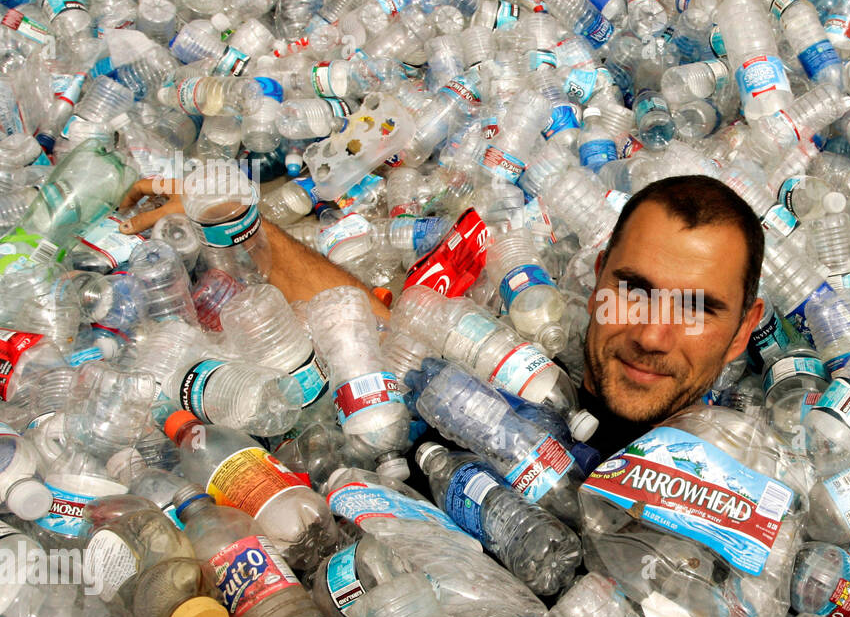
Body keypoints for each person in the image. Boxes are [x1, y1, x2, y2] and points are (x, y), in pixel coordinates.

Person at [119, 173, 765, 459]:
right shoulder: (542, 359)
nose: (652, 333)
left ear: (743, 331)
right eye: (633, 289)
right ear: (596, 277)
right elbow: (384, 337)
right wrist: (242, 226)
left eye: (696, 310)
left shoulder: (740, 479)